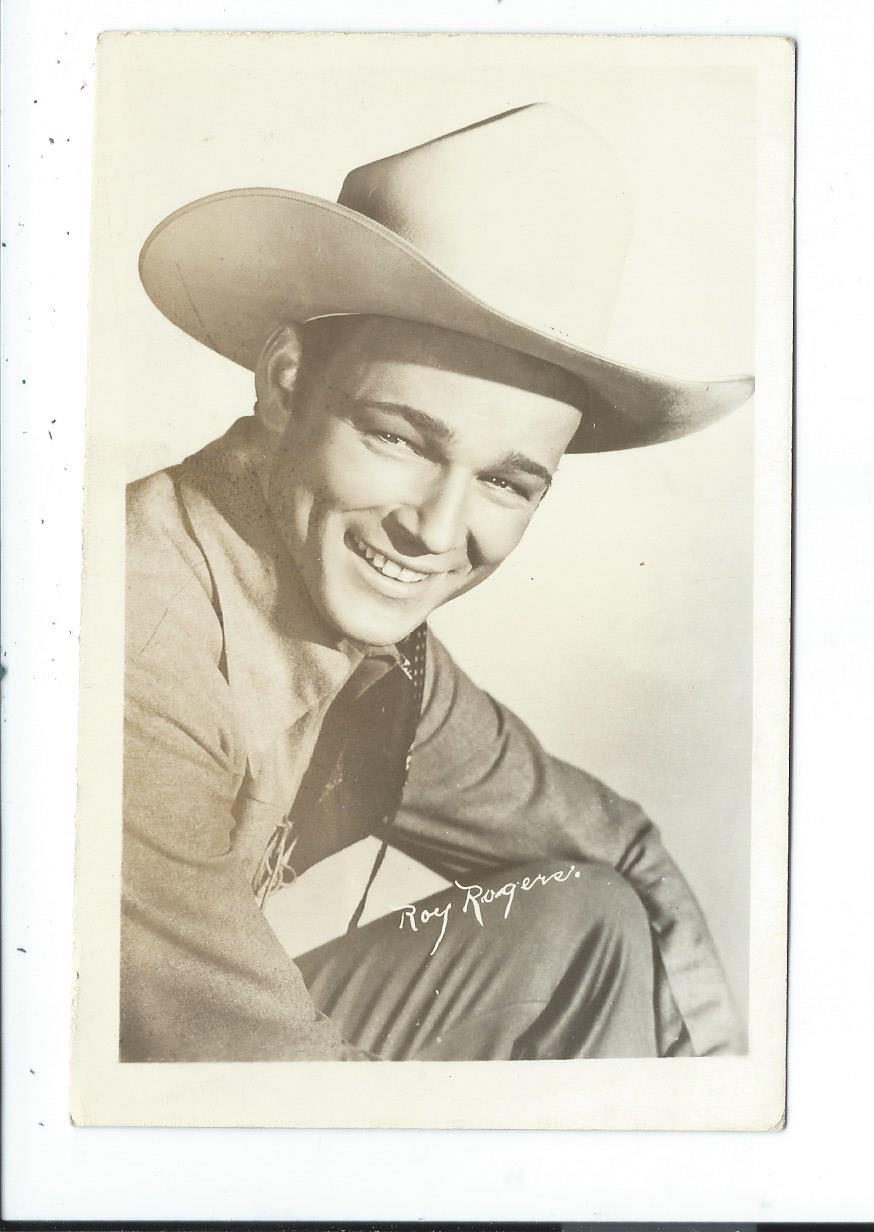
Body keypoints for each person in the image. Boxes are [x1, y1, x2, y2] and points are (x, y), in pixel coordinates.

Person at [121, 103, 753, 1062]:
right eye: (400, 439)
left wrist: (714, 1111)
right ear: (286, 383)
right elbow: (248, 1088)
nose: (436, 532)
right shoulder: (130, 637)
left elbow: (618, 850)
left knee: (581, 923)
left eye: (505, 480)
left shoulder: (374, 654)